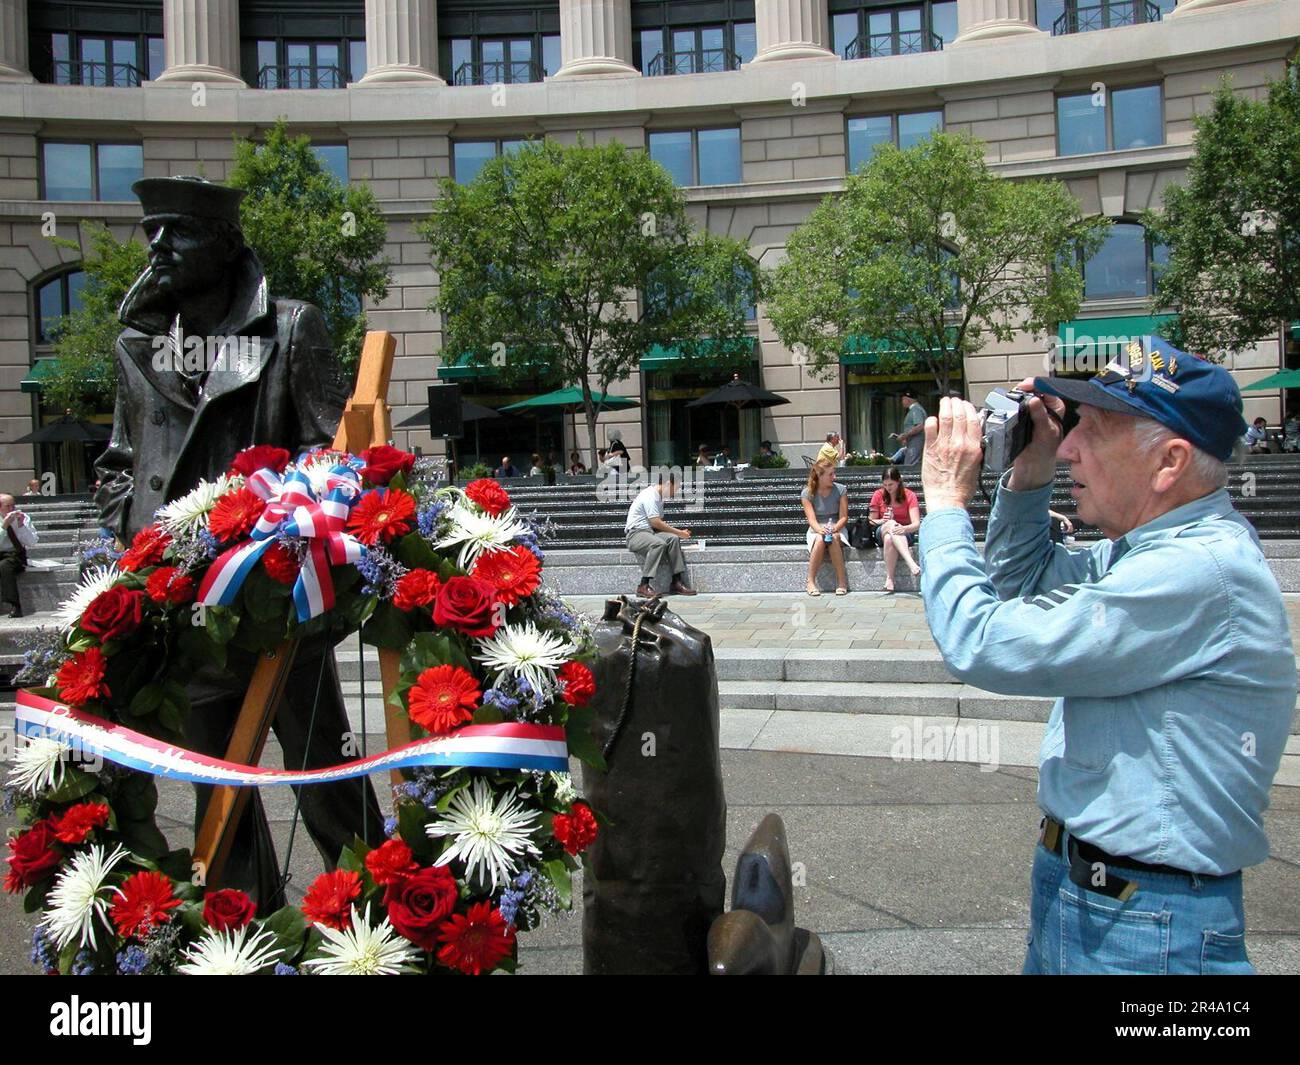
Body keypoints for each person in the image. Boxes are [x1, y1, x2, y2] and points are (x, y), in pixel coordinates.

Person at [918, 335, 1295, 975]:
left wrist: (947, 506)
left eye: (1091, 428)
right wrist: (1030, 473)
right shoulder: (1149, 553)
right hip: (1098, 895)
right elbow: (1022, 579)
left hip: (1146, 927)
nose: (1068, 447)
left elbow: (981, 640)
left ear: (1168, 462)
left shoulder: (1195, 570)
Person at [92, 175, 382, 911]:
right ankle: (246, 931)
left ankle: (378, 916)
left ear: (224, 245)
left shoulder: (290, 329)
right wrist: (130, 526)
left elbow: (328, 455)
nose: (157, 246)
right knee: (215, 781)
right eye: (152, 230)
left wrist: (278, 533)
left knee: (326, 776)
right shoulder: (136, 348)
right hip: (179, 603)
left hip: (276, 600)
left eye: (178, 232)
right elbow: (120, 464)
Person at [625, 468, 698, 598]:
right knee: (658, 544)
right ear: (668, 484)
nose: (675, 491)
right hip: (636, 534)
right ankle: (643, 585)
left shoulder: (659, 498)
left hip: (649, 533)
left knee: (673, 539)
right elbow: (656, 522)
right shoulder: (650, 495)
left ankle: (676, 581)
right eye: (676, 487)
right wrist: (680, 532)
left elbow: (657, 526)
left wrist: (677, 534)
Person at [868, 466, 922, 593]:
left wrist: (904, 528)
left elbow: (916, 524)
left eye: (891, 484)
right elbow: (871, 521)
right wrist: (883, 520)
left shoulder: (910, 495)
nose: (888, 488)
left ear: (898, 481)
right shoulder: (878, 495)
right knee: (891, 525)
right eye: (885, 484)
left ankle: (889, 579)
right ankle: (911, 563)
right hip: (881, 530)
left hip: (904, 532)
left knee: (889, 539)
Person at [800, 459, 849, 596]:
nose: (834, 477)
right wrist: (819, 530)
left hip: (836, 527)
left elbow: (844, 517)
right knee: (820, 540)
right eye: (830, 474)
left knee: (832, 538)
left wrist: (834, 528)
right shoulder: (807, 493)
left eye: (834, 473)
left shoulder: (840, 490)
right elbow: (811, 519)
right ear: (820, 476)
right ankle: (810, 581)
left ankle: (842, 582)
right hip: (816, 528)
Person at [0, 494, 38, 617]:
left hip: (15, 554)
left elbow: (32, 542)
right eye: (7, 506)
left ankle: (15, 604)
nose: (11, 509)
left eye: (13, 505)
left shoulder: (24, 518)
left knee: (4, 565)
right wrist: (3, 527)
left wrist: (21, 526)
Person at [893, 390, 927, 465]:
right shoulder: (915, 409)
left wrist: (905, 435)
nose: (902, 402)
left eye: (902, 399)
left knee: (910, 465)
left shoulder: (916, 410)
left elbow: (919, 426)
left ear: (907, 399)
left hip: (916, 444)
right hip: (913, 443)